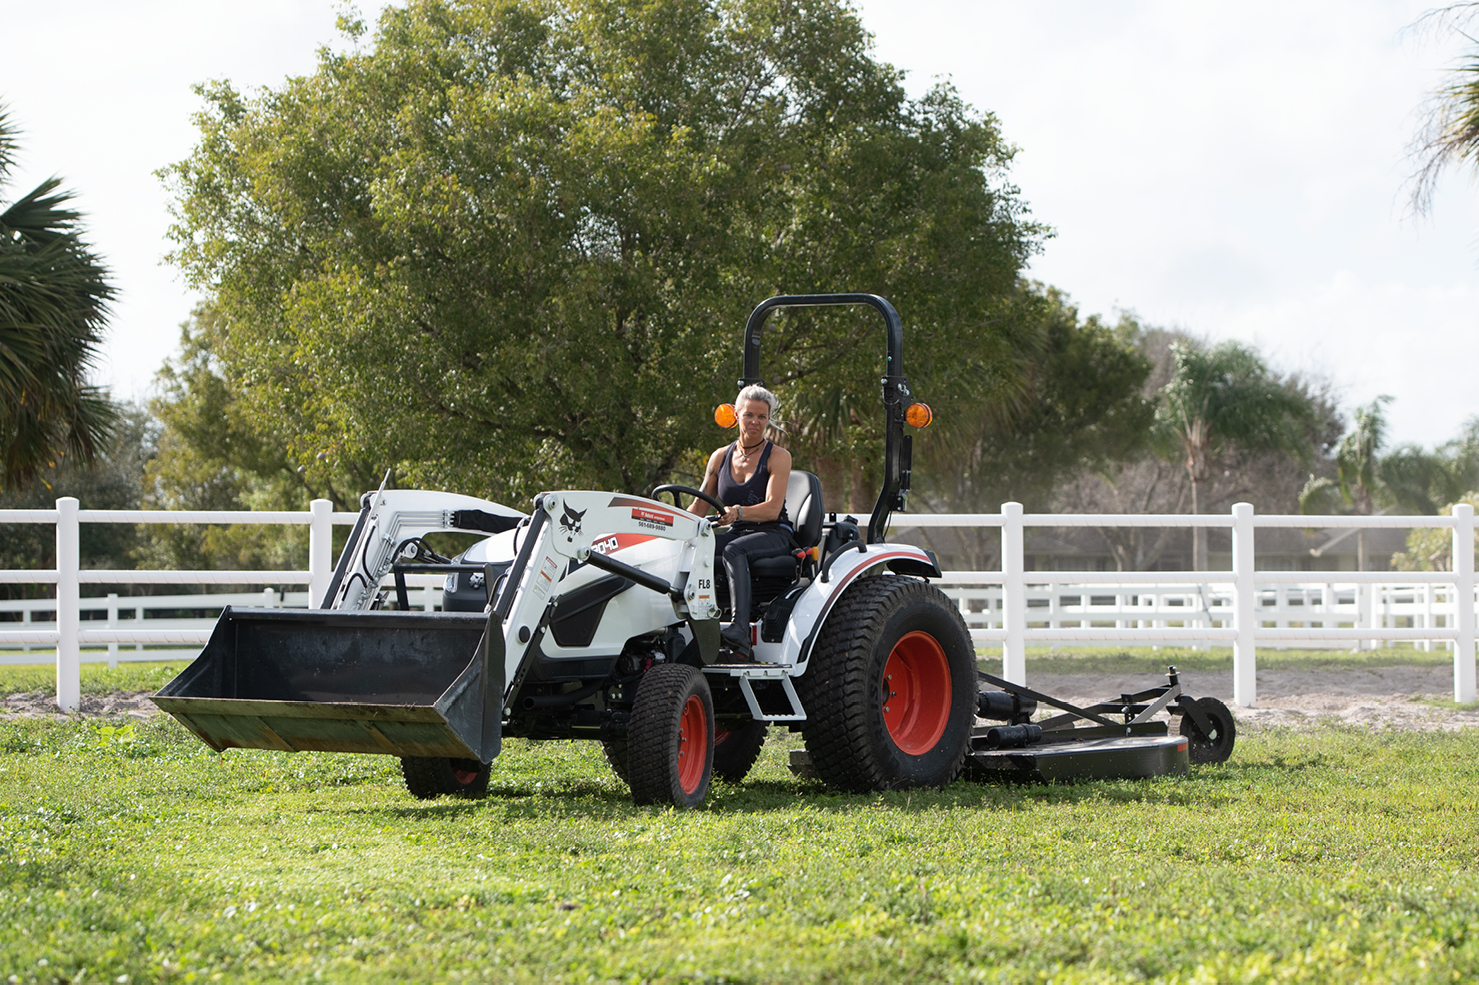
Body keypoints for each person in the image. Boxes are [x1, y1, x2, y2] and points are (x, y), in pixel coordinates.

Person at [698, 384, 794, 659]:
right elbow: (699, 505)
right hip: (739, 533)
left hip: (774, 534)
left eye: (762, 417)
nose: (755, 422)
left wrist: (738, 512)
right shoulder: (719, 457)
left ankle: (740, 630)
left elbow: (773, 509)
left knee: (733, 549)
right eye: (749, 414)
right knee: (694, 546)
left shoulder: (778, 457)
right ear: (736, 415)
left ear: (768, 419)